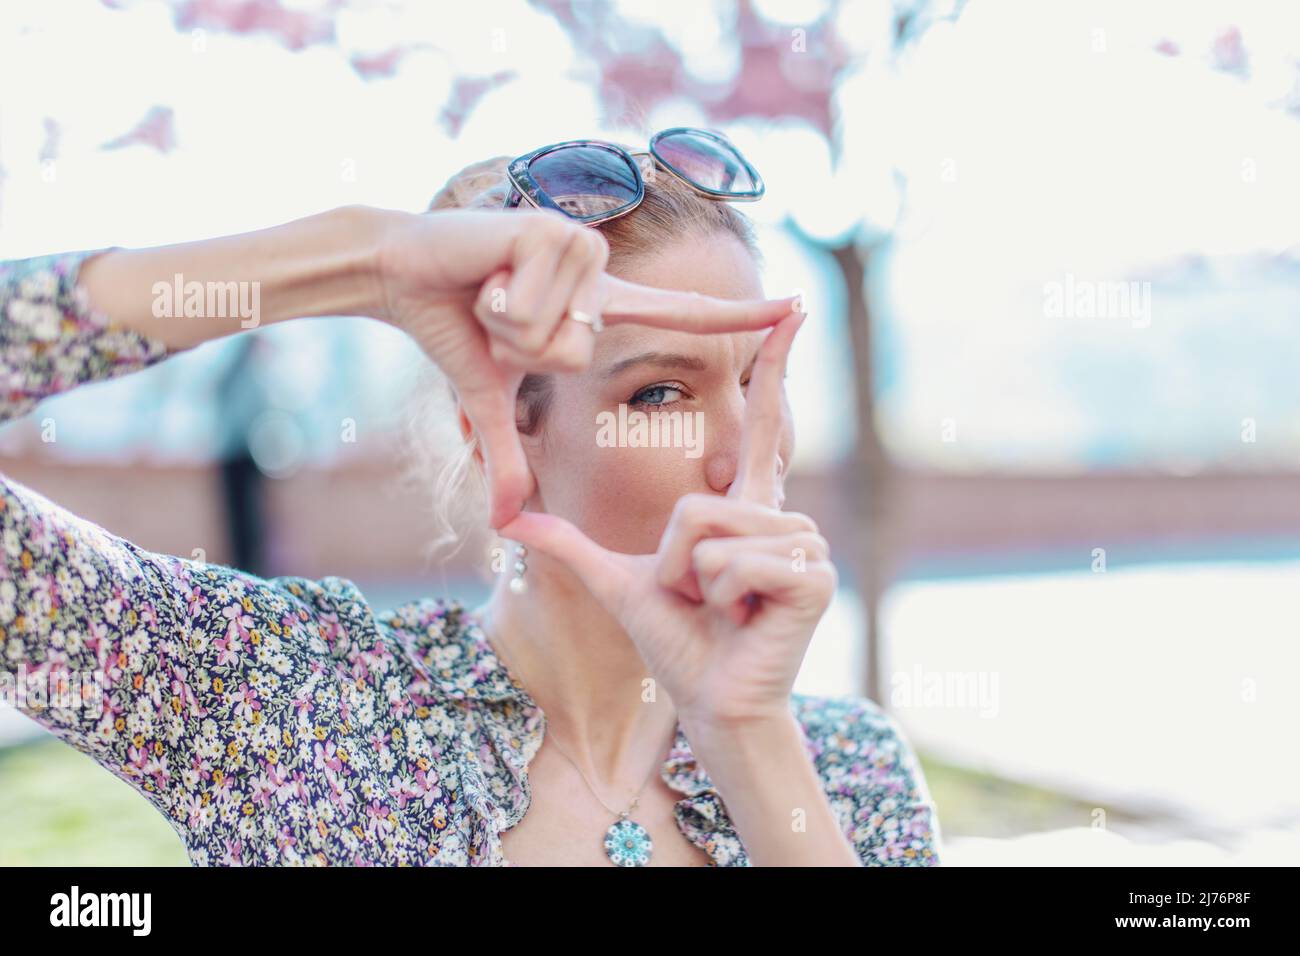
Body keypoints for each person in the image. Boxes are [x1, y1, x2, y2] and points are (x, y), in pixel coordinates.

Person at [0, 132, 941, 866]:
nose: (741, 456)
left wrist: (746, 732)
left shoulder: (846, 770)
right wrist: (351, 260)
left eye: (753, 384)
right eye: (660, 393)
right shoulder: (291, 697)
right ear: (491, 425)